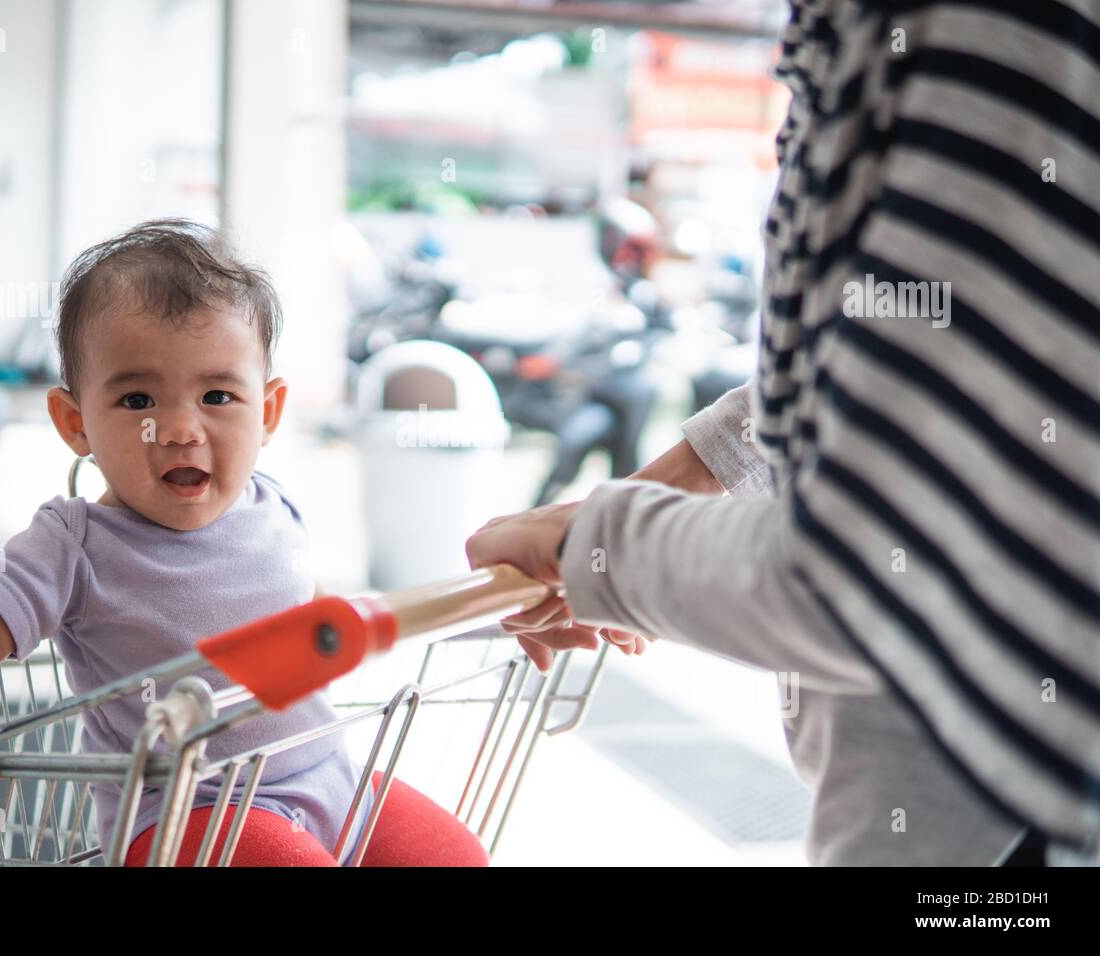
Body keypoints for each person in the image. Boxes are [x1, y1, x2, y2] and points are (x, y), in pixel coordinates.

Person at [467, 0, 1100, 863]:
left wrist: (584, 543)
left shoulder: (961, 28)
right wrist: (651, 495)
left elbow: (870, 571)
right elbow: (883, 365)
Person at [0, 219, 488, 867]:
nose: (178, 428)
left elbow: (298, 600)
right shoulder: (74, 543)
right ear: (74, 422)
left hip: (329, 773)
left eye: (217, 395)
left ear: (267, 413)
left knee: (451, 853)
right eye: (138, 398)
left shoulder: (273, 504)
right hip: (192, 814)